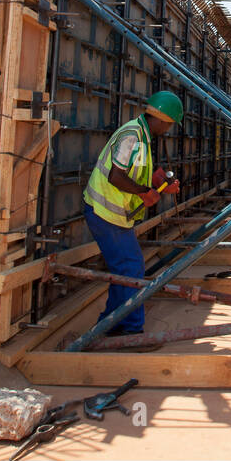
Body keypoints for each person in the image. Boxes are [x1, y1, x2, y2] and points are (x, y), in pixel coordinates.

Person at [83, 91, 183, 339]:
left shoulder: (142, 136)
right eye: (170, 124)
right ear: (162, 119)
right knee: (131, 268)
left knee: (124, 270)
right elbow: (116, 176)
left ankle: (109, 324)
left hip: (114, 214)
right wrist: (144, 192)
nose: (169, 129)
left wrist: (158, 181)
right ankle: (130, 329)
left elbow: (134, 171)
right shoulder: (132, 135)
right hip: (105, 211)